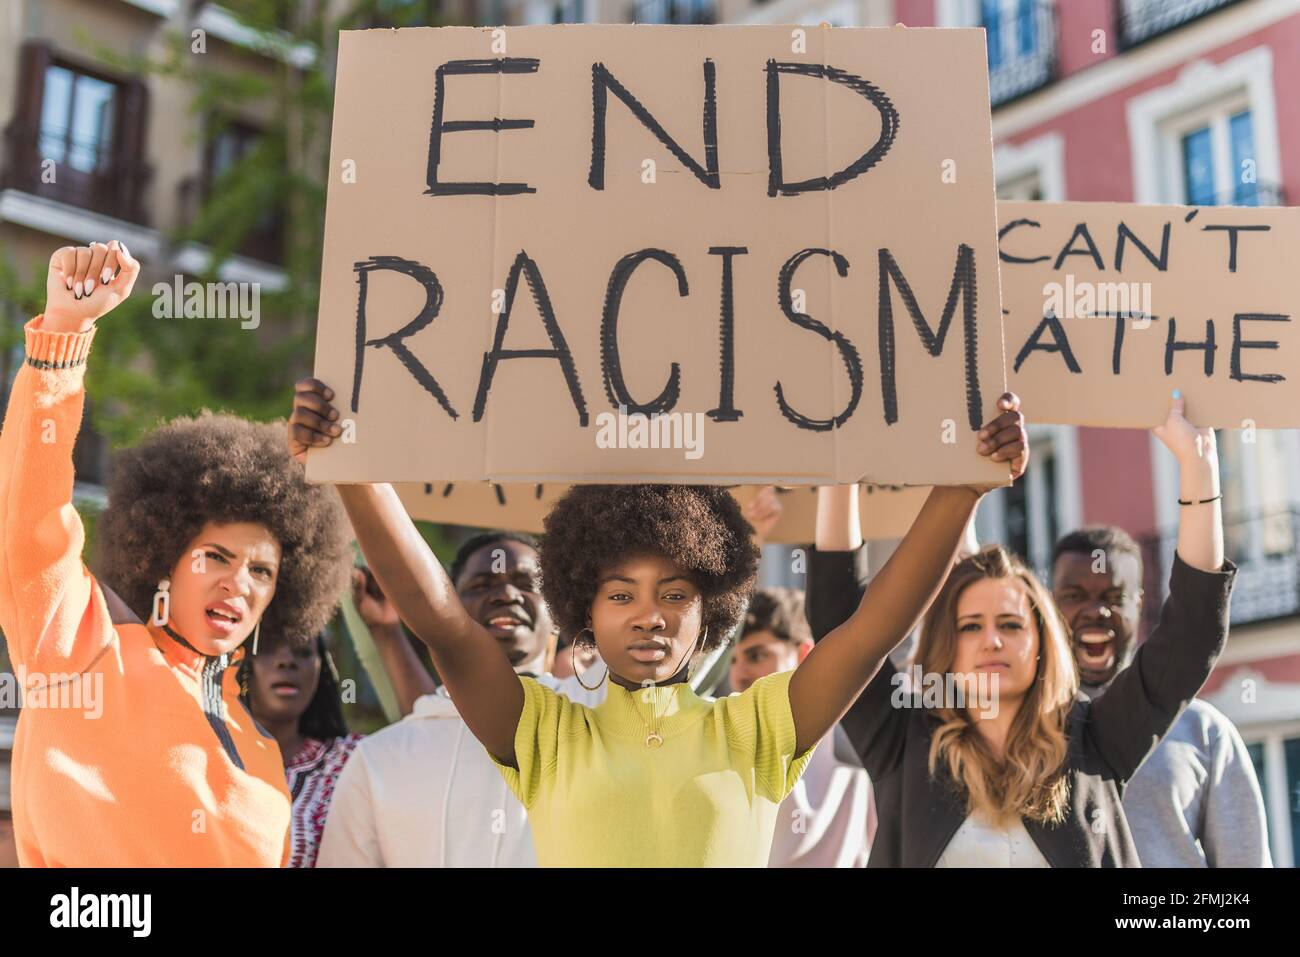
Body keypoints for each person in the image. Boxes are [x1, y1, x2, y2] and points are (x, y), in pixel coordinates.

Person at [289, 376, 1027, 866]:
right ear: (582, 609)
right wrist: (351, 467)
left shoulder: (759, 729)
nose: (650, 615)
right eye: (621, 595)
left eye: (675, 593)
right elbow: (446, 622)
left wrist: (964, 486)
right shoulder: (545, 731)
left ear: (711, 612)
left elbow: (871, 630)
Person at [0, 242, 352, 866]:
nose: (238, 583)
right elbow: (28, 522)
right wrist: (64, 334)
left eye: (262, 570)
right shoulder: (81, 651)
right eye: (215, 556)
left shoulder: (263, 746)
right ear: (162, 554)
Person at [807, 395, 1235, 866]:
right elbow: (837, 620)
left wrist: (1199, 466)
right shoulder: (903, 741)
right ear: (946, 647)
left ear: (1042, 643)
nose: (992, 640)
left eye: (1010, 624)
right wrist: (838, 468)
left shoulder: (1096, 742)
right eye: (971, 626)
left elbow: (1191, 636)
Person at [317, 532, 605, 867]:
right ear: (447, 606)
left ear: (559, 612)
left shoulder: (598, 722)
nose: (506, 594)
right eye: (482, 584)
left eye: (527, 583)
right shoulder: (378, 758)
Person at [1052, 525, 1271, 867]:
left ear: (1139, 604)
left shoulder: (1205, 731)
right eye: (1075, 595)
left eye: (1113, 597)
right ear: (1047, 605)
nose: (1096, 611)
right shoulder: (1019, 733)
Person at [243, 567, 433, 868]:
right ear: (240, 661)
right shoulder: (205, 755)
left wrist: (386, 629)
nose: (286, 661)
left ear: (321, 669)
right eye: (267, 649)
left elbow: (430, 744)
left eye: (303, 652)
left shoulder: (349, 761)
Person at [731, 588, 873, 868]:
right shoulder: (727, 733)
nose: (740, 673)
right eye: (732, 661)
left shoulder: (857, 732)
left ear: (805, 653)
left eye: (757, 656)